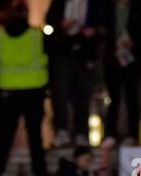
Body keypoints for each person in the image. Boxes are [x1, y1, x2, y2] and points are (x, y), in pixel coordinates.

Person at [0, 1, 49, 176]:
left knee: (4, 136)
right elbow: (50, 59)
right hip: (34, 90)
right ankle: (40, 171)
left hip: (7, 91)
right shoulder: (38, 35)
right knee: (35, 137)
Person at [46, 0, 104, 146]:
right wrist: (61, 25)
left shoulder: (95, 4)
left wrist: (93, 31)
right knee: (60, 92)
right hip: (63, 51)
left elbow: (103, 23)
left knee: (83, 94)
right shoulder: (59, 3)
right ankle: (61, 130)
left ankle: (82, 132)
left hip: (84, 54)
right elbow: (49, 20)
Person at [102, 0, 141, 143]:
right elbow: (102, 30)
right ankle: (111, 134)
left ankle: (133, 134)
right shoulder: (107, 8)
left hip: (133, 61)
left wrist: (133, 41)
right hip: (113, 60)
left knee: (132, 97)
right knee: (114, 97)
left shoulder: (138, 8)